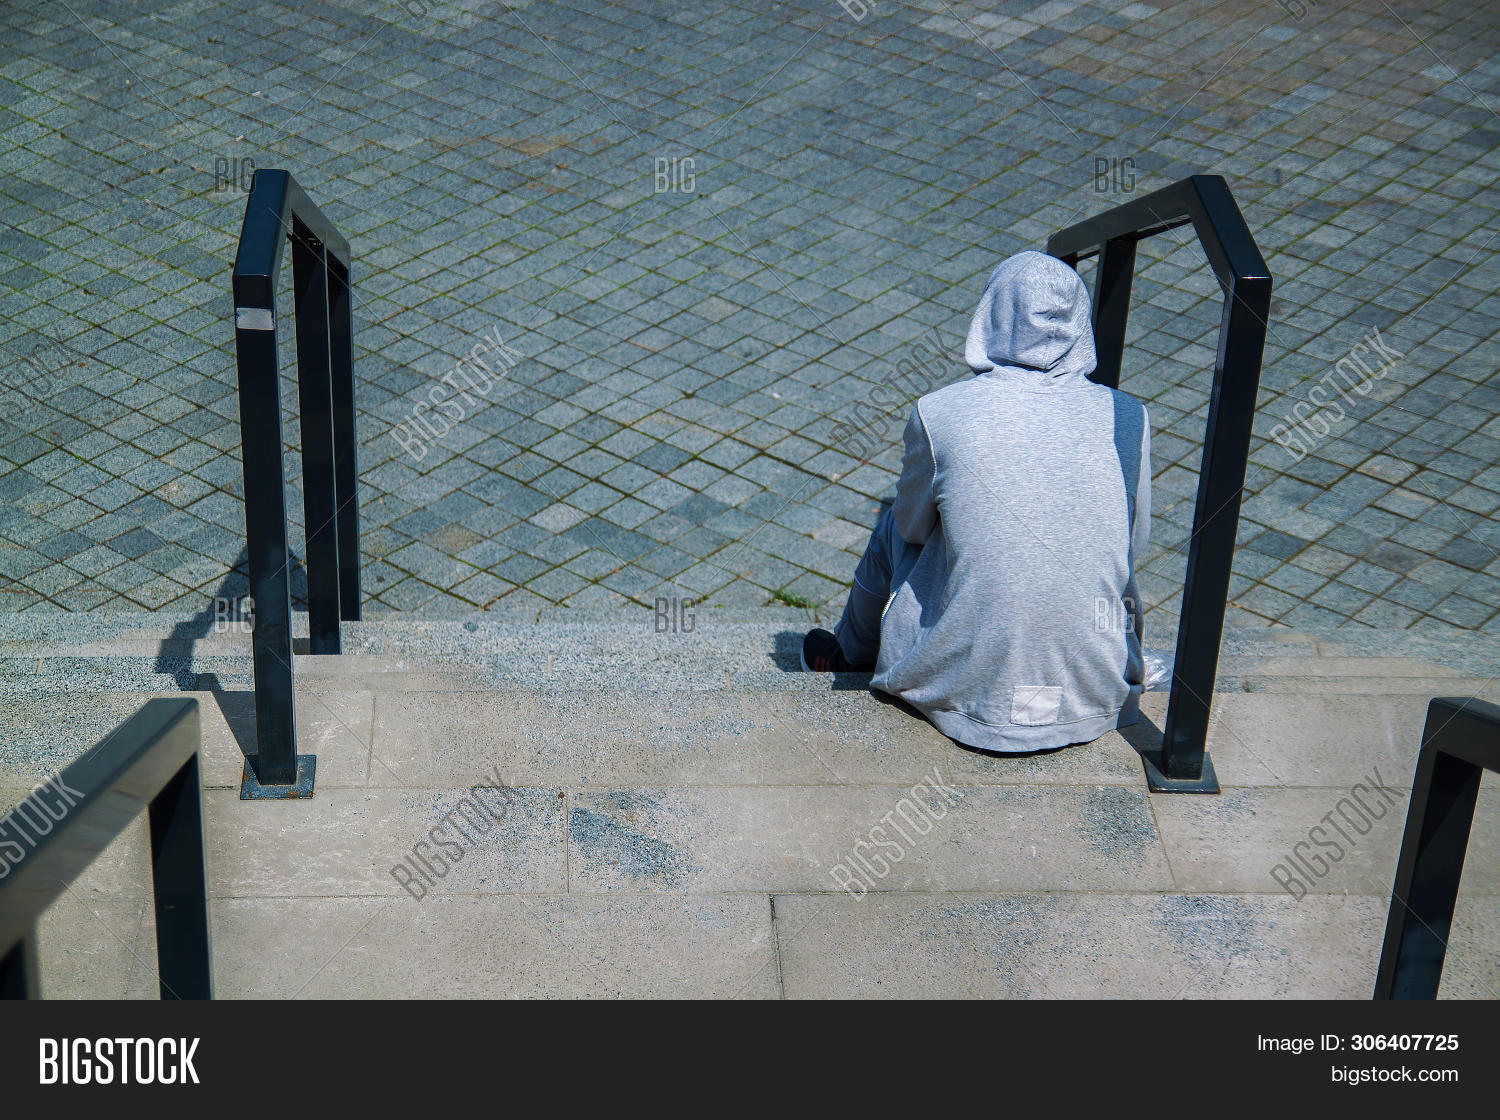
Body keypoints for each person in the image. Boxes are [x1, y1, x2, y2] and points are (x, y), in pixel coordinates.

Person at [801, 251, 1152, 753]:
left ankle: (847, 654)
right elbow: (1131, 540)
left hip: (968, 699)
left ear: (991, 314)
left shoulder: (940, 411)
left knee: (891, 522)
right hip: (1092, 698)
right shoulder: (1128, 418)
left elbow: (913, 526)